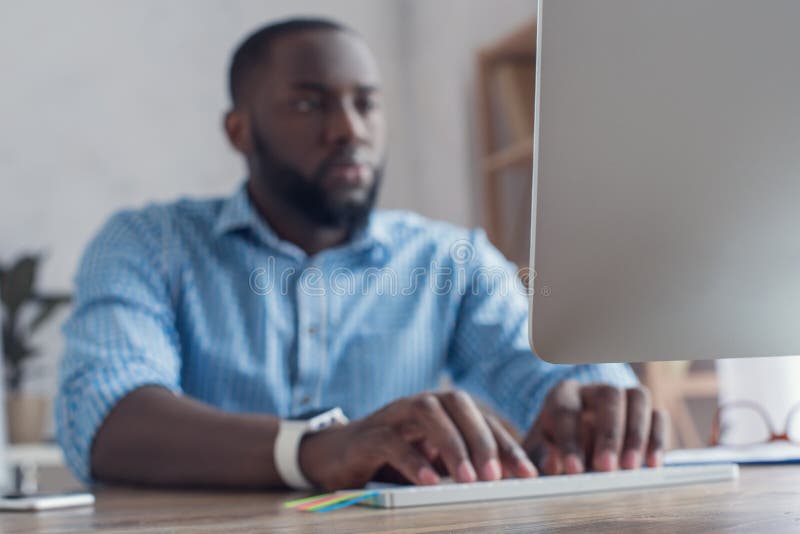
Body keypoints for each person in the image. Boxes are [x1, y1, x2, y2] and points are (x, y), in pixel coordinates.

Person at [56, 18, 667, 491]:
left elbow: (549, 374)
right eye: (309, 102)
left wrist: (594, 404)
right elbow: (109, 420)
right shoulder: (148, 244)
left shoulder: (450, 261)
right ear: (239, 131)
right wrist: (321, 447)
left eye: (366, 103)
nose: (349, 129)